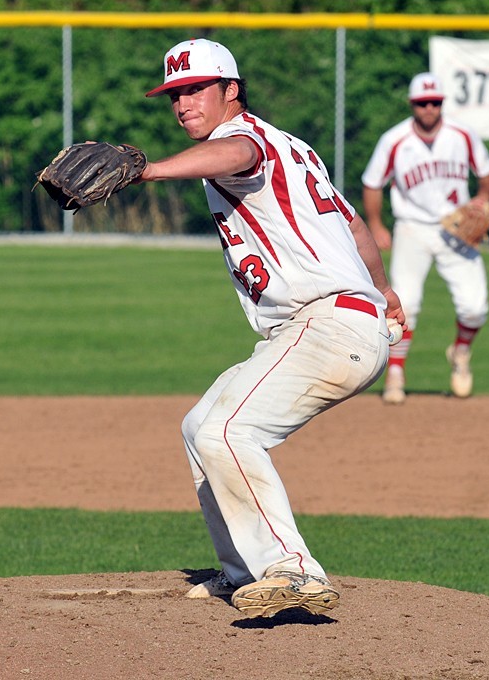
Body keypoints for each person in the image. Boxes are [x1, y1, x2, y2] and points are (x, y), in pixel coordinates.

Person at [138, 38, 406, 618]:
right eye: (174, 95)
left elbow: (236, 155)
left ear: (231, 91)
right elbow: (355, 227)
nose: (182, 104)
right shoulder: (294, 148)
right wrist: (384, 292)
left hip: (328, 323)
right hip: (323, 325)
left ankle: (294, 571)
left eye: (194, 90)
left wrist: (152, 170)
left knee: (227, 432)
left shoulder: (248, 141)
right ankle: (242, 570)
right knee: (199, 426)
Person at [361, 72, 489, 405]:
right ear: (412, 105)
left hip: (456, 228)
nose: (429, 108)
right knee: (405, 305)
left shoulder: (462, 135)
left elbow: (487, 171)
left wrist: (482, 197)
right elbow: (372, 183)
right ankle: (395, 372)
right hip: (412, 228)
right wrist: (377, 224)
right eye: (422, 103)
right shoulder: (394, 140)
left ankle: (461, 353)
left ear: (442, 104)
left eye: (434, 102)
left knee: (475, 307)